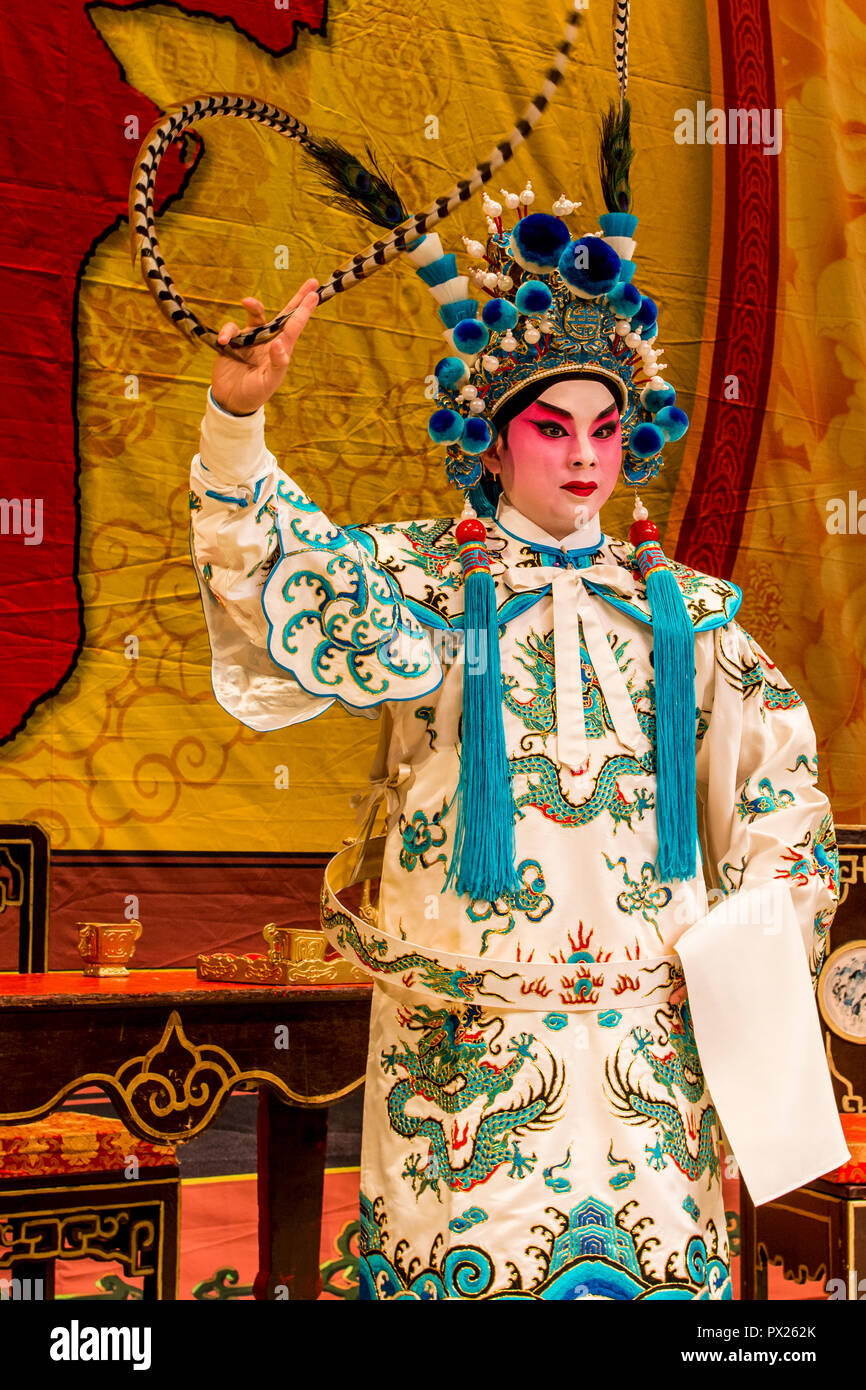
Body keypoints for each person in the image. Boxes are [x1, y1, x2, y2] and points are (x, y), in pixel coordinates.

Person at [188, 179, 849, 1299]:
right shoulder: (427, 585)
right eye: (551, 427)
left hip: (649, 1067)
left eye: (604, 428)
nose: (584, 457)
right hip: (473, 1067)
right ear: (490, 443)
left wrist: (736, 959)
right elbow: (277, 584)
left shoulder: (682, 618)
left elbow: (778, 798)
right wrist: (237, 421)